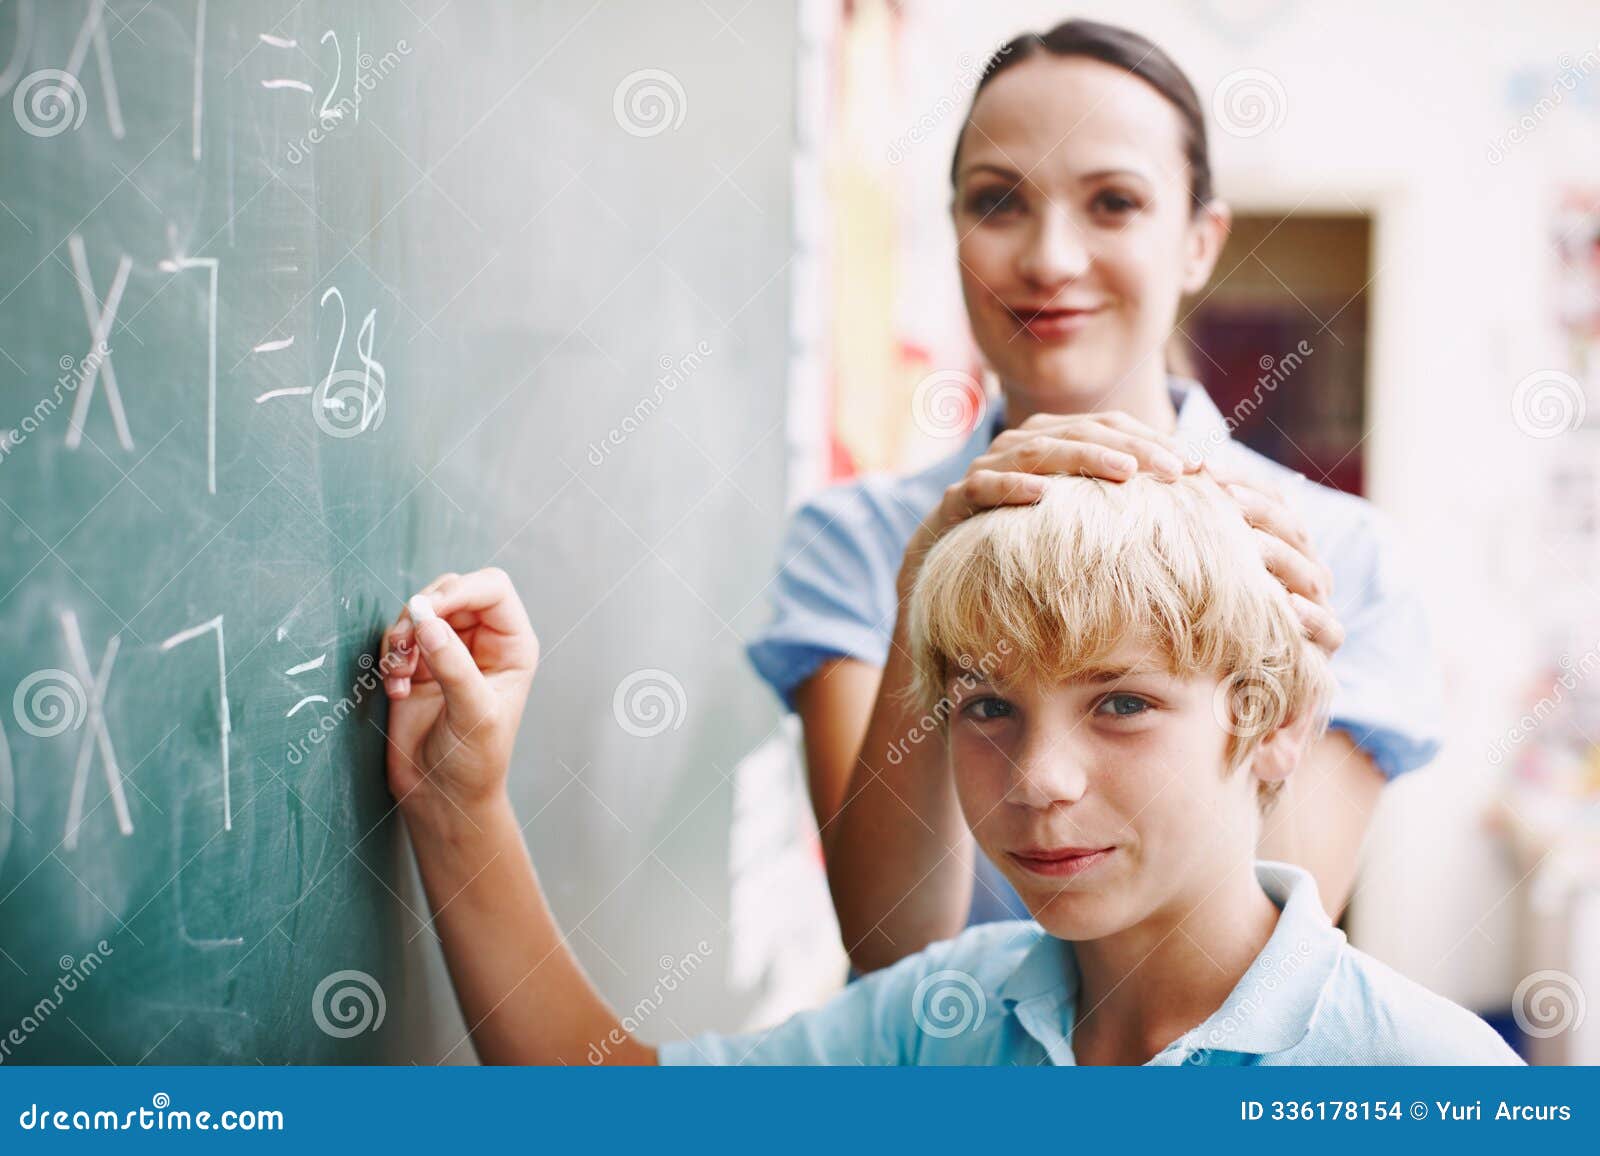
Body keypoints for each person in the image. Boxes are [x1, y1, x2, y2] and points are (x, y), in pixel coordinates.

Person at [374, 475, 1512, 1065]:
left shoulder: (1429, 1073)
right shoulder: (948, 1018)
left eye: (1121, 703)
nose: (1039, 778)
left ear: (1268, 724)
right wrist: (457, 801)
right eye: (985, 708)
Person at [754, 19, 1441, 970]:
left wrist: (1277, 698)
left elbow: (1268, 963)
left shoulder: (1341, 557)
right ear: (952, 227)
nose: (1050, 259)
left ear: (1200, 242)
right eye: (998, 202)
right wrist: (925, 608)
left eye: (1114, 202)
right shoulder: (860, 542)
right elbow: (890, 945)